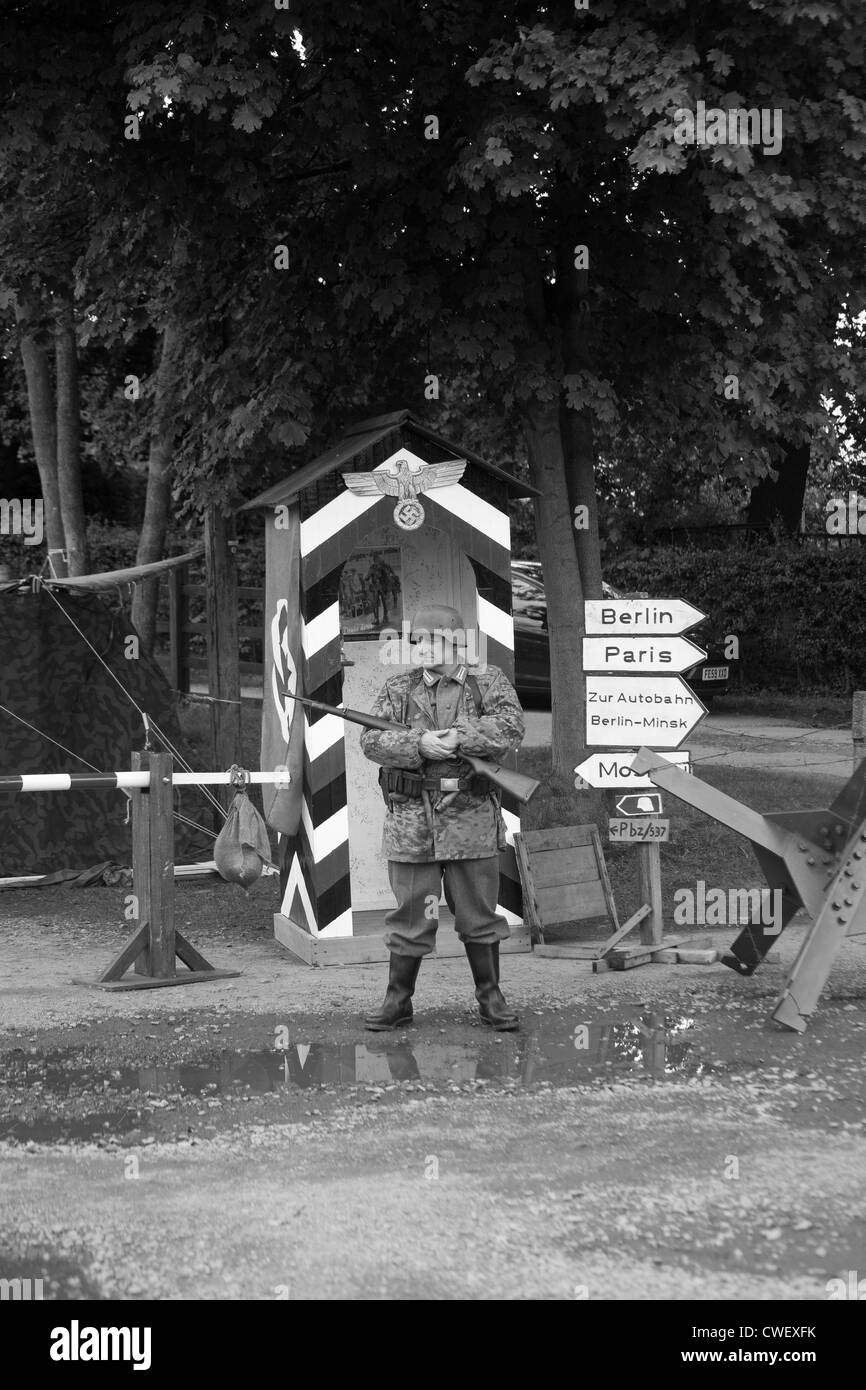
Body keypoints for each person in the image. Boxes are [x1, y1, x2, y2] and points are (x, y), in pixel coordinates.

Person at [360, 604, 525, 1032]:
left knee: (479, 913)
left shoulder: (487, 681)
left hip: (471, 817)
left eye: (432, 640)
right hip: (412, 820)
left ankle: (491, 998)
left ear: (455, 641)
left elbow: (511, 728)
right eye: (417, 641)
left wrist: (459, 737)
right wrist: (418, 744)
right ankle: (398, 1001)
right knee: (411, 915)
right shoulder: (399, 687)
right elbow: (371, 740)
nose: (422, 648)